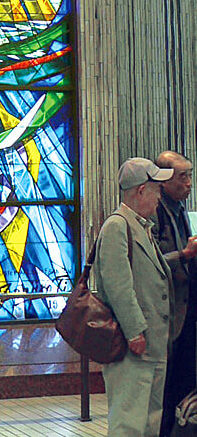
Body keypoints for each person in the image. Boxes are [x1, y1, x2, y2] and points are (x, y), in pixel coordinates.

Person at [93, 158, 197, 437]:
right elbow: (119, 287)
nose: (158, 196)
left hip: (153, 344)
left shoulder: (142, 226)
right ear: (141, 191)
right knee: (129, 421)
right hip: (134, 346)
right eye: (155, 190)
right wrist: (135, 332)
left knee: (151, 420)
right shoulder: (117, 226)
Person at [153, 151, 197, 436]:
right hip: (165, 312)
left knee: (184, 379)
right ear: (164, 181)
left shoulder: (180, 208)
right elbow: (150, 261)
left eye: (191, 175)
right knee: (165, 389)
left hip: (186, 310)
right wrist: (184, 254)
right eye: (183, 177)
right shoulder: (155, 211)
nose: (189, 183)